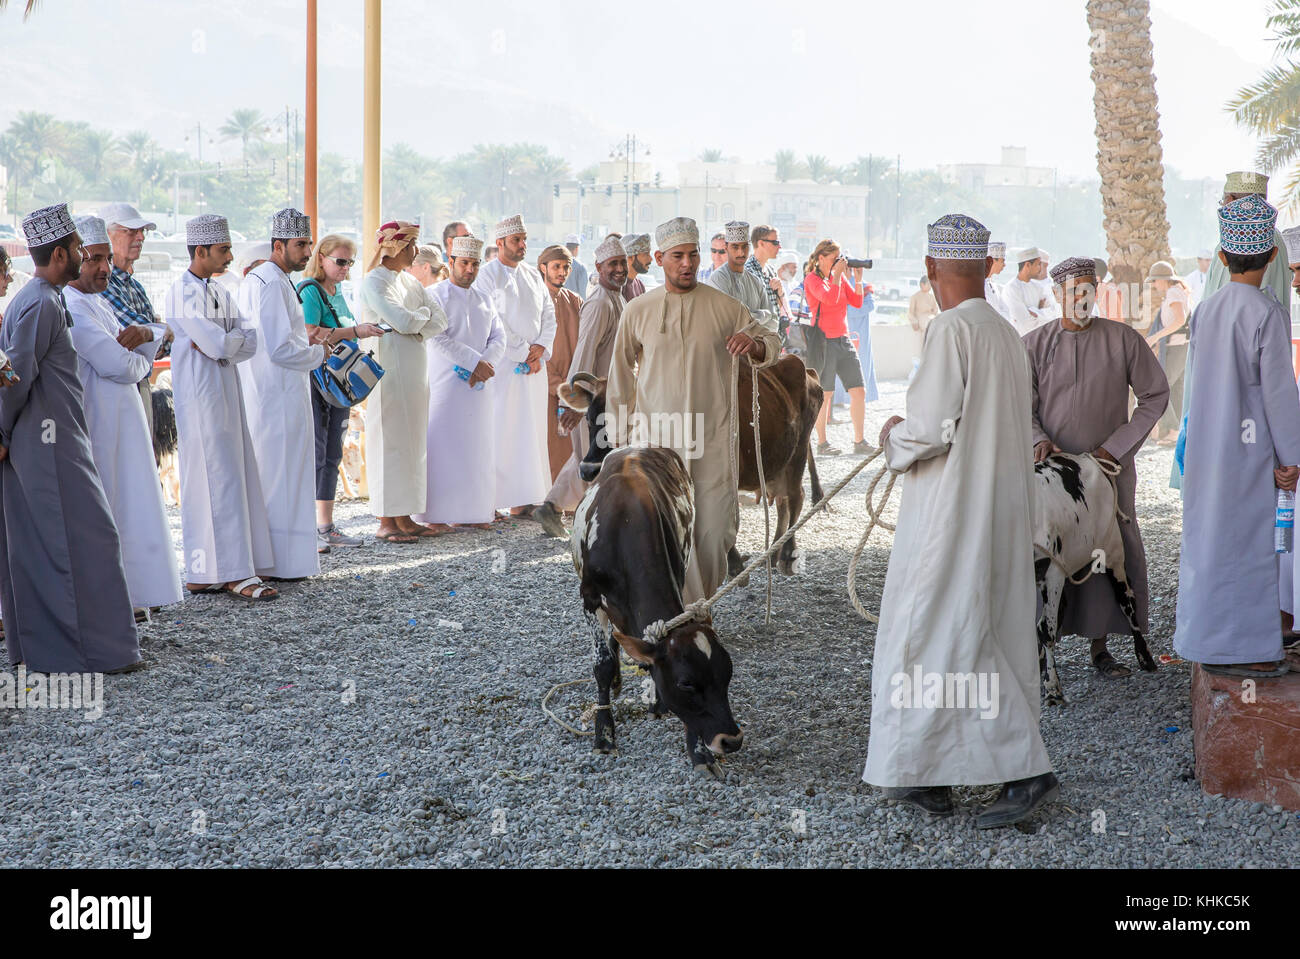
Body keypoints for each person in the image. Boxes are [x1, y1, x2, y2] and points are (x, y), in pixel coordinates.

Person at [865, 213, 1057, 828]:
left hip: (951, 516)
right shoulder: (1003, 332)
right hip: (1000, 513)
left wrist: (894, 437)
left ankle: (1026, 772)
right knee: (981, 631)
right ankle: (931, 770)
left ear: (930, 269)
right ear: (985, 268)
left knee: (941, 634)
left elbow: (931, 428)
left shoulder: (950, 329)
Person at [605, 217, 781, 603]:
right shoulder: (638, 309)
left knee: (714, 532)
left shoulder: (726, 307)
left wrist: (753, 346)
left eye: (693, 254)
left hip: (712, 444)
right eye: (678, 256)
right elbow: (619, 379)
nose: (687, 263)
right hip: (656, 446)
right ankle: (674, 618)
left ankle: (698, 608)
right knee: (658, 532)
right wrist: (619, 445)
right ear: (659, 258)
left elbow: (771, 341)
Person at [0, 203, 143, 671]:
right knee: (82, 542)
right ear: (60, 254)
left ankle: (80, 649)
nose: (86, 255)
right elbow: (15, 378)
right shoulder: (40, 301)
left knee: (62, 544)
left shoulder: (44, 297)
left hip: (55, 439)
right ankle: (83, 653)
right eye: (80, 248)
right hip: (48, 445)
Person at [1024, 256, 1169, 678]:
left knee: (1109, 551)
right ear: (1057, 295)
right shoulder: (1032, 344)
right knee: (1045, 551)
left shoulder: (1123, 340)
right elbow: (1021, 406)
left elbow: (1155, 396)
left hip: (1108, 473)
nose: (1081, 298)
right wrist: (1038, 439)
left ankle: (1101, 649)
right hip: (1050, 476)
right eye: (1072, 292)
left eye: (1089, 290)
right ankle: (1040, 653)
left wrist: (1115, 449)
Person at [1175, 197, 1300, 680]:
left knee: (1208, 541)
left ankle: (1206, 641)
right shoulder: (1267, 313)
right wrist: (1291, 456)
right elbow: (1280, 395)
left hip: (1208, 449)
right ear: (1272, 257)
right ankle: (1246, 650)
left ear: (1223, 257)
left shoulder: (1205, 310)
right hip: (1250, 454)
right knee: (1249, 547)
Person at [64, 215, 183, 615]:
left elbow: (152, 337)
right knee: (108, 512)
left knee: (131, 509)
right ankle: (108, 605)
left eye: (104, 259)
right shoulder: (73, 306)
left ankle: (131, 597)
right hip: (96, 426)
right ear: (73, 260)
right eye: (94, 259)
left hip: (123, 422)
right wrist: (141, 352)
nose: (102, 268)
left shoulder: (97, 301)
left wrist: (145, 338)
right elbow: (122, 365)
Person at [167, 214, 278, 602]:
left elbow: (250, 341)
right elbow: (219, 345)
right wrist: (225, 343)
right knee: (216, 481)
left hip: (225, 392)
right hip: (201, 398)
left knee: (229, 477)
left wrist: (223, 342)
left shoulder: (220, 290)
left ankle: (207, 572)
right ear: (201, 251)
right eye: (223, 250)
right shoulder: (181, 292)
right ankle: (231, 574)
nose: (230, 256)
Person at [1172, 172, 1293, 493]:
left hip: (1225, 404)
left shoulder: (1214, 310)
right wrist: (1290, 454)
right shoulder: (1268, 308)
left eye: (1228, 200)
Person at [236, 209, 329, 580]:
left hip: (270, 393)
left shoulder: (263, 277)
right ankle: (283, 564)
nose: (307, 251)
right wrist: (319, 353)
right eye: (300, 244)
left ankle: (276, 561)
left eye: (308, 243)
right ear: (278, 246)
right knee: (284, 475)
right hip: (280, 393)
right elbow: (279, 349)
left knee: (278, 475)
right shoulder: (272, 282)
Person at [360, 220, 450, 542]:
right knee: (390, 443)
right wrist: (413, 323)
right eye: (411, 245)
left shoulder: (409, 283)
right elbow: (401, 320)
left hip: (414, 372)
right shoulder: (374, 281)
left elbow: (439, 320)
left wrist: (412, 325)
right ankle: (386, 521)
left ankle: (406, 516)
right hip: (387, 372)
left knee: (413, 444)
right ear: (395, 246)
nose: (415, 251)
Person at [297, 234, 386, 553]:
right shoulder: (310, 291)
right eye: (340, 261)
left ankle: (324, 525)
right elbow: (308, 333)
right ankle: (310, 527)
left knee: (332, 450)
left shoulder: (335, 291)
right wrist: (357, 331)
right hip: (320, 380)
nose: (346, 267)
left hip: (335, 382)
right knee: (319, 450)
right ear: (320, 258)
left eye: (349, 262)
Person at [535, 236, 628, 538]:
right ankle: (597, 524)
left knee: (588, 456)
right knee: (596, 458)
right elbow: (584, 352)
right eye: (612, 264)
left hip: (610, 397)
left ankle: (550, 508)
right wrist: (576, 402)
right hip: (596, 401)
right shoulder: (600, 302)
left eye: (622, 263)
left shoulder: (616, 298)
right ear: (599, 267)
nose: (619, 269)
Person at [416, 235, 506, 528]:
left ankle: (474, 513)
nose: (470, 269)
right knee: (442, 448)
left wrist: (485, 363)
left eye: (475, 264)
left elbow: (499, 336)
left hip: (478, 386)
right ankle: (436, 515)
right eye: (465, 263)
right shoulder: (435, 295)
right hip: (446, 384)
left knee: (477, 447)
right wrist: (473, 362)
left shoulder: (484, 298)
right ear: (451, 262)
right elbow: (436, 337)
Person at [473, 214, 556, 519]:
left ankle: (526, 498)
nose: (522, 245)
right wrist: (522, 352)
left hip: (533, 368)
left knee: (532, 431)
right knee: (501, 429)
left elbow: (549, 312)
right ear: (500, 244)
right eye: (516, 240)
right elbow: (492, 319)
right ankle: (493, 500)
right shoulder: (487, 275)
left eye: (524, 239)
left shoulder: (533, 275)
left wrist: (541, 348)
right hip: (505, 366)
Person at [98, 201, 166, 436]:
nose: (140, 237)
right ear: (107, 235)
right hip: (117, 390)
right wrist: (158, 330)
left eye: (142, 231)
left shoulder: (134, 286)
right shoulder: (102, 285)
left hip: (140, 385)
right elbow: (140, 336)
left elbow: (159, 344)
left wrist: (156, 332)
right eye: (131, 231)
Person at [802, 239, 870, 455]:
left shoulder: (836, 277)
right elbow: (830, 299)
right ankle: (822, 443)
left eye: (839, 259)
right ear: (821, 258)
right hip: (824, 342)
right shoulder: (812, 280)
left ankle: (859, 441)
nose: (838, 263)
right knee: (826, 394)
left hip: (843, 339)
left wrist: (858, 280)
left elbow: (857, 302)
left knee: (859, 391)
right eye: (834, 259)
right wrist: (839, 276)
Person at [536, 244, 582, 485]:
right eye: (556, 267)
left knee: (571, 447)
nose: (562, 272)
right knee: (546, 446)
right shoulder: (534, 301)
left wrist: (573, 389)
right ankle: (545, 501)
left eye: (566, 267)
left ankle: (566, 502)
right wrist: (557, 386)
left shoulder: (574, 301)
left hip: (572, 389)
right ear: (543, 268)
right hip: (543, 386)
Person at [1142, 261, 1189, 445]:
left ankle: (1173, 429)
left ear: (1163, 280)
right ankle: (1176, 430)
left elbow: (1179, 320)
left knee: (1160, 387)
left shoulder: (1173, 293)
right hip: (1180, 346)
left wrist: (1155, 338)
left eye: (1155, 281)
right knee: (1176, 389)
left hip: (1175, 347)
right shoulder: (1177, 291)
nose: (1154, 285)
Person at [708, 221, 777, 333]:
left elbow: (773, 321)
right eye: (735, 247)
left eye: (744, 246)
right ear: (726, 248)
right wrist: (763, 315)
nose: (741, 252)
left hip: (755, 349)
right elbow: (729, 321)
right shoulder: (718, 279)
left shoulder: (755, 281)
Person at [746, 224, 789, 332]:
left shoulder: (770, 270)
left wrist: (780, 293)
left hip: (772, 335)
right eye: (775, 242)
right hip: (758, 337)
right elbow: (751, 313)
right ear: (761, 243)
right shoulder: (748, 272)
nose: (779, 247)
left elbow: (776, 308)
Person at [1004, 247, 1054, 334]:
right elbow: (1025, 324)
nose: (1040, 268)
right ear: (1027, 265)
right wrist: (1041, 311)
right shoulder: (1011, 289)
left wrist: (1034, 311)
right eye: (1038, 264)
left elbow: (1053, 315)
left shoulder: (1039, 288)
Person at [907, 276, 940, 359]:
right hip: (922, 319)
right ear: (922, 284)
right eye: (928, 285)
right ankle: (926, 356)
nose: (930, 287)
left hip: (931, 318)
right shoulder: (915, 297)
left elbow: (935, 309)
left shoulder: (932, 296)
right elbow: (910, 313)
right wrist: (914, 322)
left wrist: (934, 312)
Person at [984, 241, 1011, 322]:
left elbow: (1006, 311)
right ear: (992, 261)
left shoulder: (993, 285)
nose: (1004, 265)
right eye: (1002, 261)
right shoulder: (980, 286)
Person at [621, 233, 651, 301]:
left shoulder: (640, 285)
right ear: (630, 257)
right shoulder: (619, 287)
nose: (650, 259)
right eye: (646, 254)